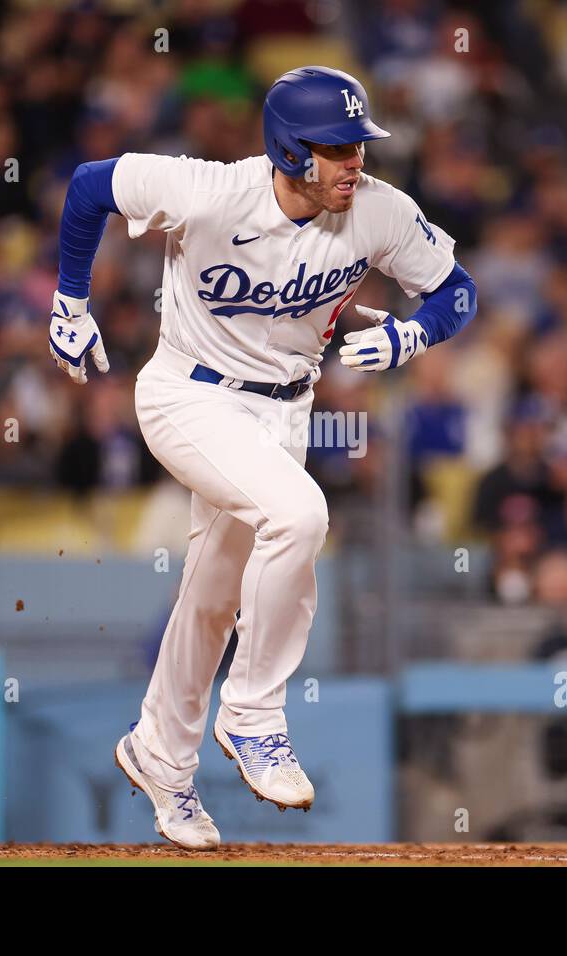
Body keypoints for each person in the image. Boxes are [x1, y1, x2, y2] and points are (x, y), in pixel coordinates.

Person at [49, 66, 477, 849]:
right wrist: (68, 303)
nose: (355, 160)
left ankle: (160, 757)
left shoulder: (377, 210)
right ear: (289, 150)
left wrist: (411, 333)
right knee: (301, 514)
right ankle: (252, 717)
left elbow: (457, 291)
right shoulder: (210, 191)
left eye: (359, 144)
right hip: (188, 394)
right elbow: (88, 186)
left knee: (212, 600)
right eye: (337, 147)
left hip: (284, 413)